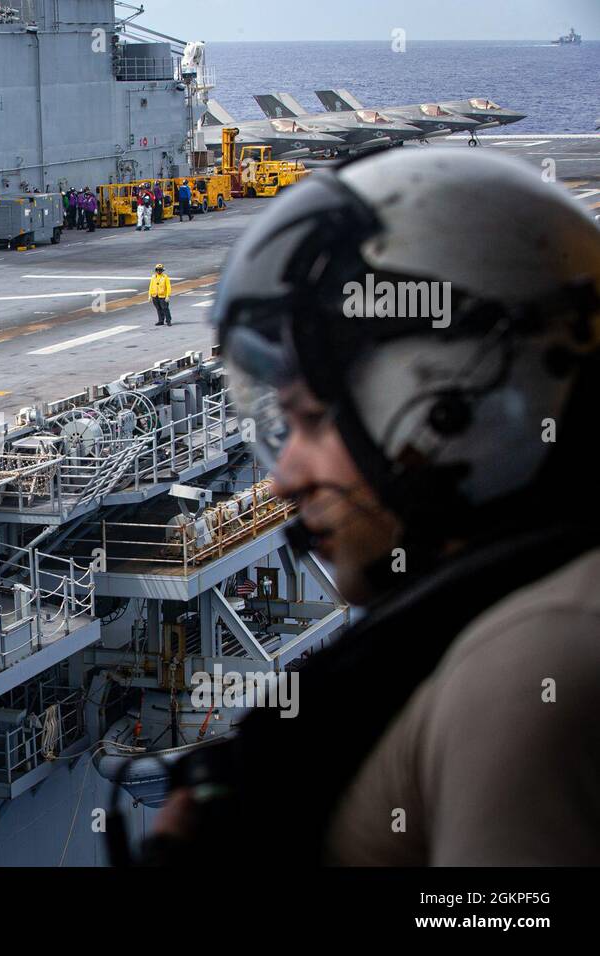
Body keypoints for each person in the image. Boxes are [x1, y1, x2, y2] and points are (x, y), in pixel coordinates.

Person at [135, 148, 600, 867]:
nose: (285, 477)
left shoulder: (532, 667)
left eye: (315, 419)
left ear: (456, 417)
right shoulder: (538, 608)